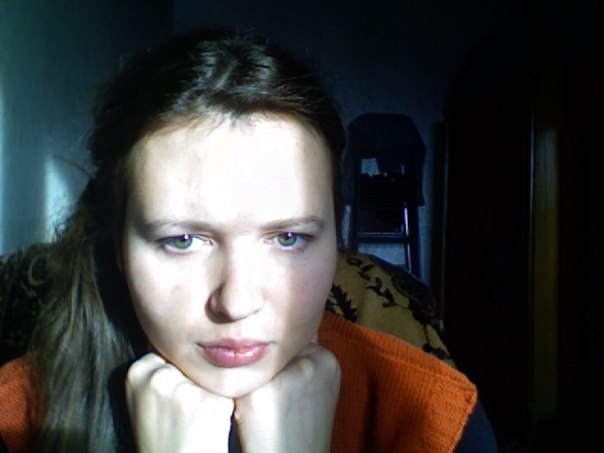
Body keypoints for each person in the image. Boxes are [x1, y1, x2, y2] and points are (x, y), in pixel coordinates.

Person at [0, 30, 497, 452]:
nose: (236, 303)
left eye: (288, 238)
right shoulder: (16, 420)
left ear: (336, 237)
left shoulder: (433, 423)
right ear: (118, 249)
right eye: (183, 240)